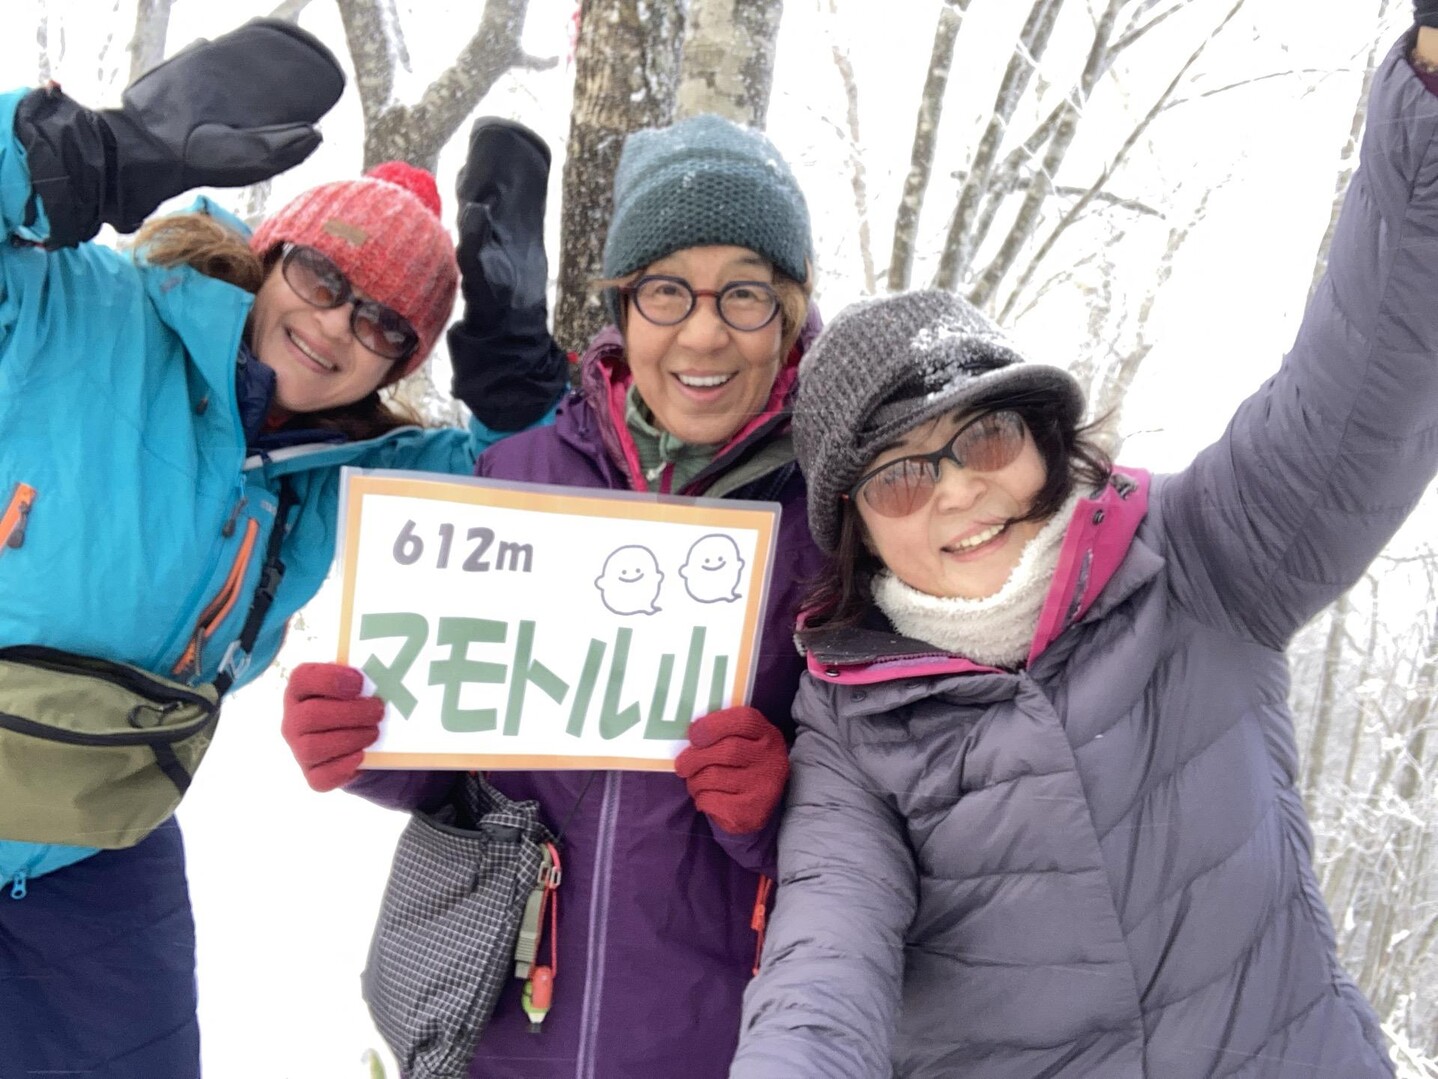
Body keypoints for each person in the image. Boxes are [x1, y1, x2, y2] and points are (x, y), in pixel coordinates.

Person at [728, 20, 1438, 1079]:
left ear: (1045, 442)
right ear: (860, 533)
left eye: (987, 435)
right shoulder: (847, 723)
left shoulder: (1200, 558)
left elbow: (1361, 382)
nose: (960, 485)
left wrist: (1422, 111)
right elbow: (823, 967)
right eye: (902, 473)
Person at [0, 18, 565, 1078]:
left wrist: (516, 372)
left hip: (98, 840)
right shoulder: (84, 307)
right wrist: (74, 156)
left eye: (386, 324)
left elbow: (543, 489)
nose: (339, 325)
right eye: (323, 279)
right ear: (273, 256)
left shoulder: (345, 471)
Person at [281, 113, 823, 1078]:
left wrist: (777, 806)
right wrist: (370, 740)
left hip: (725, 1038)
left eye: (744, 294)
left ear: (788, 311)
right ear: (622, 304)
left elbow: (895, 812)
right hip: (505, 1022)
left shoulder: (837, 522)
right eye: (667, 291)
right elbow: (466, 770)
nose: (703, 332)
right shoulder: (513, 475)